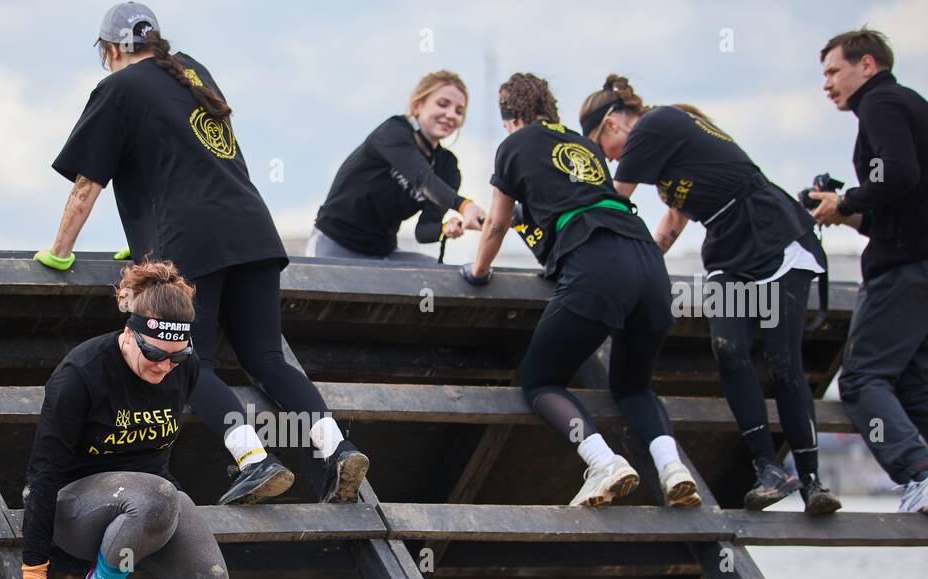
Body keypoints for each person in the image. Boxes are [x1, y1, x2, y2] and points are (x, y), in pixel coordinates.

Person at [38, 2, 368, 507]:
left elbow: (88, 183)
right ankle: (335, 447)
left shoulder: (118, 87)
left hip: (194, 240)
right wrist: (145, 241)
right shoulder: (191, 70)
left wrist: (59, 252)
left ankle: (255, 461)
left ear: (108, 51)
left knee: (189, 360)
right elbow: (180, 163)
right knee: (267, 359)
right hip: (253, 229)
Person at [19, 260, 270, 579]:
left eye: (177, 359)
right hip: (74, 505)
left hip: (145, 499)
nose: (164, 369)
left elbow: (158, 459)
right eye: (155, 355)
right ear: (129, 333)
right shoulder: (80, 374)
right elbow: (42, 476)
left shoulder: (182, 365)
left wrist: (163, 524)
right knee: (160, 495)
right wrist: (34, 564)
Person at [586, 76, 842, 515]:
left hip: (773, 235)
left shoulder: (655, 124)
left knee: (783, 362)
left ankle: (812, 480)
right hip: (728, 251)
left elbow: (611, 199)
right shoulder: (667, 163)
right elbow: (669, 225)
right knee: (729, 350)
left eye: (601, 148)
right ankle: (767, 470)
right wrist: (641, 268)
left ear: (611, 124)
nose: (608, 158)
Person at [461, 73, 700, 508]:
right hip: (646, 259)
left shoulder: (513, 145)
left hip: (595, 262)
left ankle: (603, 461)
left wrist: (477, 271)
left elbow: (497, 221)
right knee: (634, 387)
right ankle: (672, 468)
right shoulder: (582, 144)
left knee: (541, 380)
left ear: (510, 117)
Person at [812, 29, 928, 515]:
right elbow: (904, 200)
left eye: (834, 71)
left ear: (868, 65)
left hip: (902, 271)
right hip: (920, 263)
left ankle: (918, 473)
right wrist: (847, 213)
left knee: (860, 380)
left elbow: (897, 172)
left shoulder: (880, 103)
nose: (827, 84)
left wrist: (849, 199)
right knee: (913, 385)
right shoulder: (912, 105)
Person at [307, 71, 485, 261]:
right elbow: (423, 179)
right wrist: (464, 206)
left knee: (434, 272)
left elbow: (424, 231)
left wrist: (445, 228)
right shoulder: (393, 131)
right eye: (442, 104)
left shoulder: (448, 168)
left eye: (459, 111)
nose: (451, 114)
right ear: (418, 105)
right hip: (335, 243)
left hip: (382, 253)